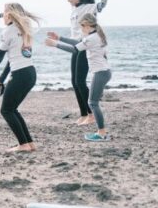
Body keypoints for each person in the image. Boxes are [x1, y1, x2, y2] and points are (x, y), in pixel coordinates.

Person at [0, 3, 40, 153]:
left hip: (20, 74)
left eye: (4, 13)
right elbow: (11, 60)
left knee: (6, 110)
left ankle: (23, 145)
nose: (3, 16)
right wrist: (0, 80)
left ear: (9, 15)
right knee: (12, 109)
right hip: (30, 73)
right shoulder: (25, 29)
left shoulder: (8, 31)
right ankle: (29, 143)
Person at [45, 13, 112, 141]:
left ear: (87, 25)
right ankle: (101, 132)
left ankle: (102, 133)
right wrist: (59, 38)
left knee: (93, 103)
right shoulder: (95, 35)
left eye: (82, 26)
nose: (81, 29)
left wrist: (55, 44)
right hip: (104, 72)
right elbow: (78, 43)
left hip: (101, 72)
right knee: (93, 102)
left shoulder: (92, 38)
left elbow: (75, 49)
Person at [65, 0, 114, 125]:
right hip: (76, 46)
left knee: (80, 81)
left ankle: (91, 114)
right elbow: (74, 3)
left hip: (85, 46)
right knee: (74, 82)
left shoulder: (90, 8)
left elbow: (102, 5)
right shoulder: (75, 9)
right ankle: (83, 114)